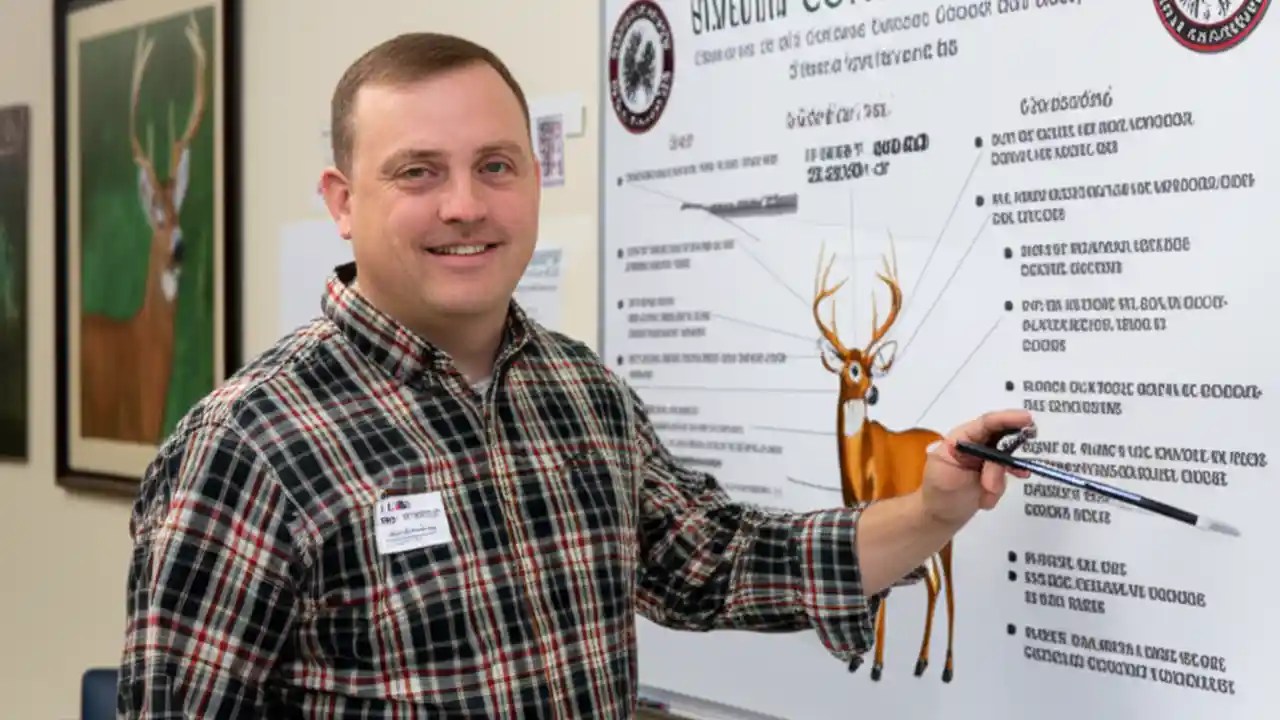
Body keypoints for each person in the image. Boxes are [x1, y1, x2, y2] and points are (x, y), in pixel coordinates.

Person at [117, 31, 1033, 718]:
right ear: (343, 202)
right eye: (417, 173)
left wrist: (933, 509)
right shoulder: (247, 447)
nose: (466, 205)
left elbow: (718, 566)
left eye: (496, 166)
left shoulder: (583, 397)